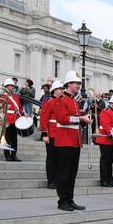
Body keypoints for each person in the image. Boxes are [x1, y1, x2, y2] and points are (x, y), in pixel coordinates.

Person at [49, 72, 87, 212]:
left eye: (79, 83)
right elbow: (62, 119)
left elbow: (74, 121)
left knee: (72, 173)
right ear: (68, 84)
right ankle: (62, 200)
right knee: (64, 173)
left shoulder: (73, 100)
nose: (78, 85)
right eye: (76, 83)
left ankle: (70, 199)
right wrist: (81, 119)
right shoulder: (61, 99)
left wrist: (83, 120)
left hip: (74, 140)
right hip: (64, 141)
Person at [39, 80, 63, 189]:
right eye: (60, 89)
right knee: (51, 158)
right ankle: (51, 181)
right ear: (55, 90)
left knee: (58, 158)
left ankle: (57, 179)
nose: (62, 91)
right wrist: (45, 134)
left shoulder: (61, 102)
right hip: (51, 134)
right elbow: (44, 119)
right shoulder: (49, 102)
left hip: (59, 134)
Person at [96, 93, 113, 187]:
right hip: (106, 139)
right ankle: (104, 181)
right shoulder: (105, 111)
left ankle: (110, 180)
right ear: (112, 103)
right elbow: (106, 127)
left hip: (112, 140)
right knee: (105, 161)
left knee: (110, 161)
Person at [0, 78, 25, 162]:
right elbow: (0, 110)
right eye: (10, 86)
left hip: (15, 120)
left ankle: (13, 155)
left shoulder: (16, 97)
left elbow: (19, 108)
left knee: (14, 139)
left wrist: (24, 114)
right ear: (6, 87)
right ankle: (7, 155)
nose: (12, 87)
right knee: (6, 139)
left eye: (13, 86)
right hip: (7, 120)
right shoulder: (2, 96)